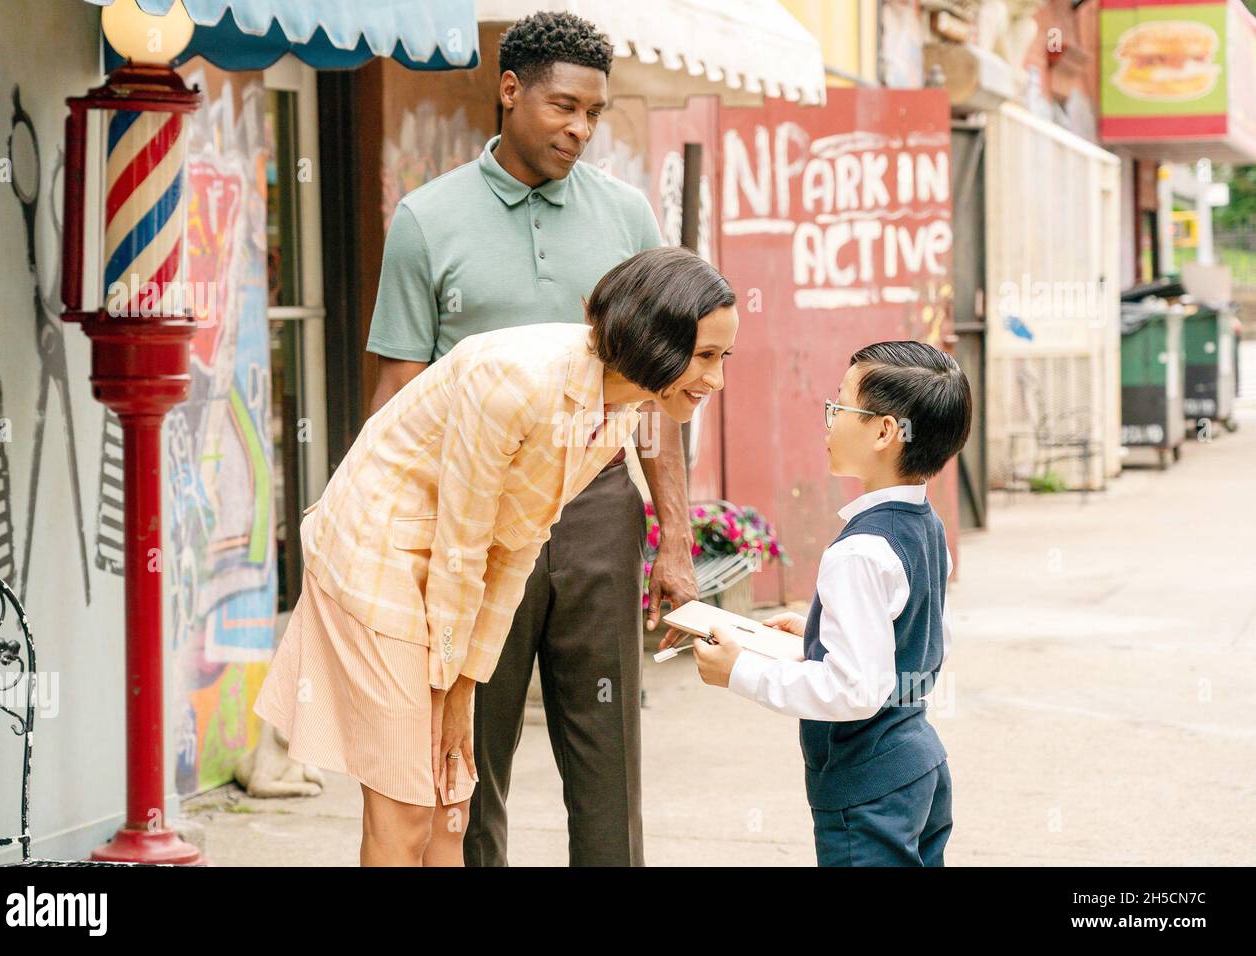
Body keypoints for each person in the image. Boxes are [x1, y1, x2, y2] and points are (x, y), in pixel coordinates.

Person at [254, 247, 738, 866]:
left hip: (448, 558)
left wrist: (462, 689)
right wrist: (456, 690)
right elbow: (464, 548)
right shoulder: (516, 381)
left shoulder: (620, 407)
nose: (716, 380)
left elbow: (517, 547)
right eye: (705, 357)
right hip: (377, 553)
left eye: (723, 358)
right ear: (655, 336)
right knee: (406, 814)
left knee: (451, 809)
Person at [364, 11, 698, 867]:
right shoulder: (427, 221)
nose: (580, 130)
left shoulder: (626, 216)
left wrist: (676, 542)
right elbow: (396, 395)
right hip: (466, 527)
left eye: (595, 112)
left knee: (607, 755)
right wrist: (387, 552)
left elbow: (657, 391)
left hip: (595, 512)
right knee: (466, 757)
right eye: (563, 107)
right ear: (509, 91)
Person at [687, 341, 971, 867]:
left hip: (867, 788)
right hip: (920, 768)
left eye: (839, 406)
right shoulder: (926, 527)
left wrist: (740, 670)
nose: (829, 421)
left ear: (885, 431)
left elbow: (856, 690)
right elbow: (920, 641)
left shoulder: (859, 551)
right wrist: (818, 636)